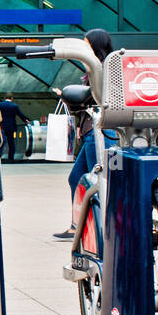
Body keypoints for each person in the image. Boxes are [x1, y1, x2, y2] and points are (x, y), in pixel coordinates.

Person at [55, 28, 117, 239]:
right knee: (77, 178)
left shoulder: (106, 69)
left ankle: (102, 226)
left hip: (103, 132)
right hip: (93, 132)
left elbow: (101, 100)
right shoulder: (94, 69)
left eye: (86, 45)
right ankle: (78, 225)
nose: (83, 49)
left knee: (99, 180)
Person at [0, 93, 31, 163]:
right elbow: (20, 114)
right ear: (12, 98)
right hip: (11, 127)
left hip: (1, 126)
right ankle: (11, 158)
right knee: (11, 142)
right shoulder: (14, 106)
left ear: (4, 98)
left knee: (0, 141)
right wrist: (26, 120)